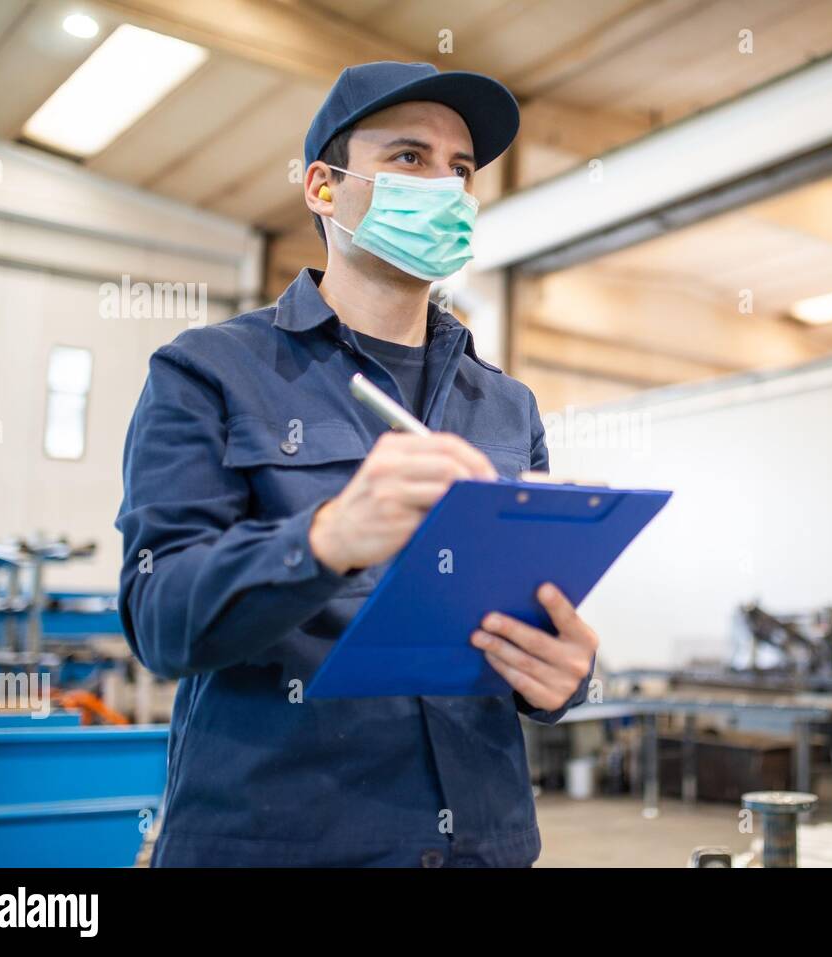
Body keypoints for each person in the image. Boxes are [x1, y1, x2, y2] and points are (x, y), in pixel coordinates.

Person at [116, 61, 597, 867]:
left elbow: (526, 615)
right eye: (409, 158)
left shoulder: (507, 407)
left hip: (482, 845)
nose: (442, 187)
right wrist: (330, 537)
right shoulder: (208, 372)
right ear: (322, 188)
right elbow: (161, 617)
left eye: (461, 169)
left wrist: (566, 673)